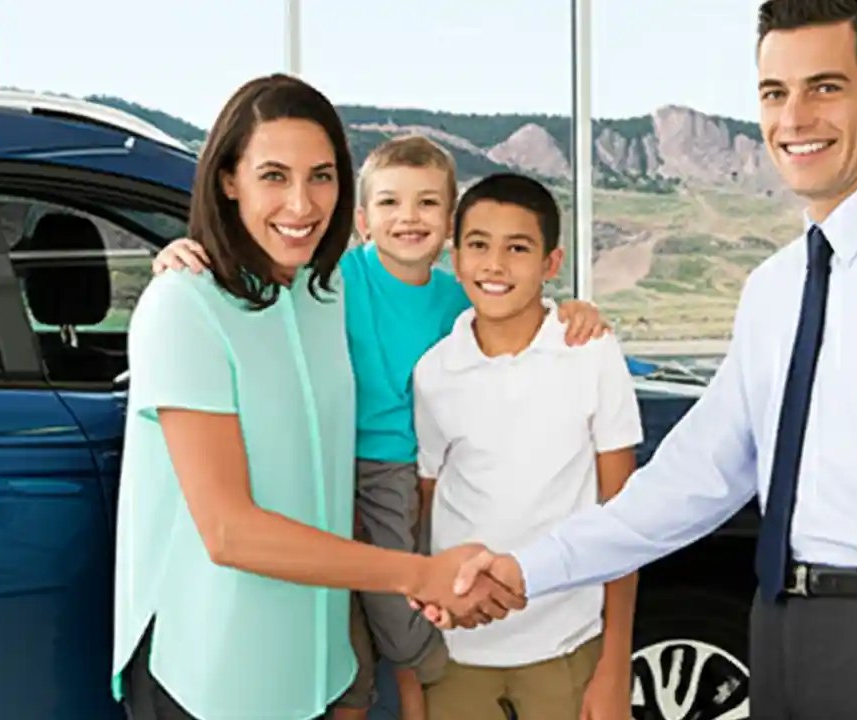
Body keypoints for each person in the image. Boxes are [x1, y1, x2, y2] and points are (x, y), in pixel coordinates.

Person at [434, 2, 857, 719]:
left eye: (824, 87)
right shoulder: (774, 288)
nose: (794, 118)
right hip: (781, 626)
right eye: (774, 93)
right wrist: (528, 566)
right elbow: (690, 479)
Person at [148, 135, 606, 720]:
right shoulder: (335, 279)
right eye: (390, 204)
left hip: (413, 471)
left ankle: (427, 681)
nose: (408, 218)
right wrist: (182, 255)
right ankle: (405, 677)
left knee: (399, 609)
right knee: (355, 624)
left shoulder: (456, 298)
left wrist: (576, 311)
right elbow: (253, 274)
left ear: (449, 225)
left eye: (427, 205)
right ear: (362, 221)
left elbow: (517, 307)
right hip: (332, 461)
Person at [112, 74, 524, 720]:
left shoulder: (324, 294)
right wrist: (417, 574)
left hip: (312, 673)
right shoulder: (184, 306)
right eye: (273, 175)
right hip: (210, 679)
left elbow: (469, 299)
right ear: (228, 179)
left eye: (322, 176)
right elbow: (228, 531)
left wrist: (569, 319)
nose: (302, 204)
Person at [413, 172, 642, 720]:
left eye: (517, 248)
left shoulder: (590, 353)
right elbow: (424, 509)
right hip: (456, 651)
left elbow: (624, 521)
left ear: (551, 263)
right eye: (478, 246)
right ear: (455, 255)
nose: (494, 266)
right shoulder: (434, 372)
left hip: (569, 643)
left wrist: (615, 665)